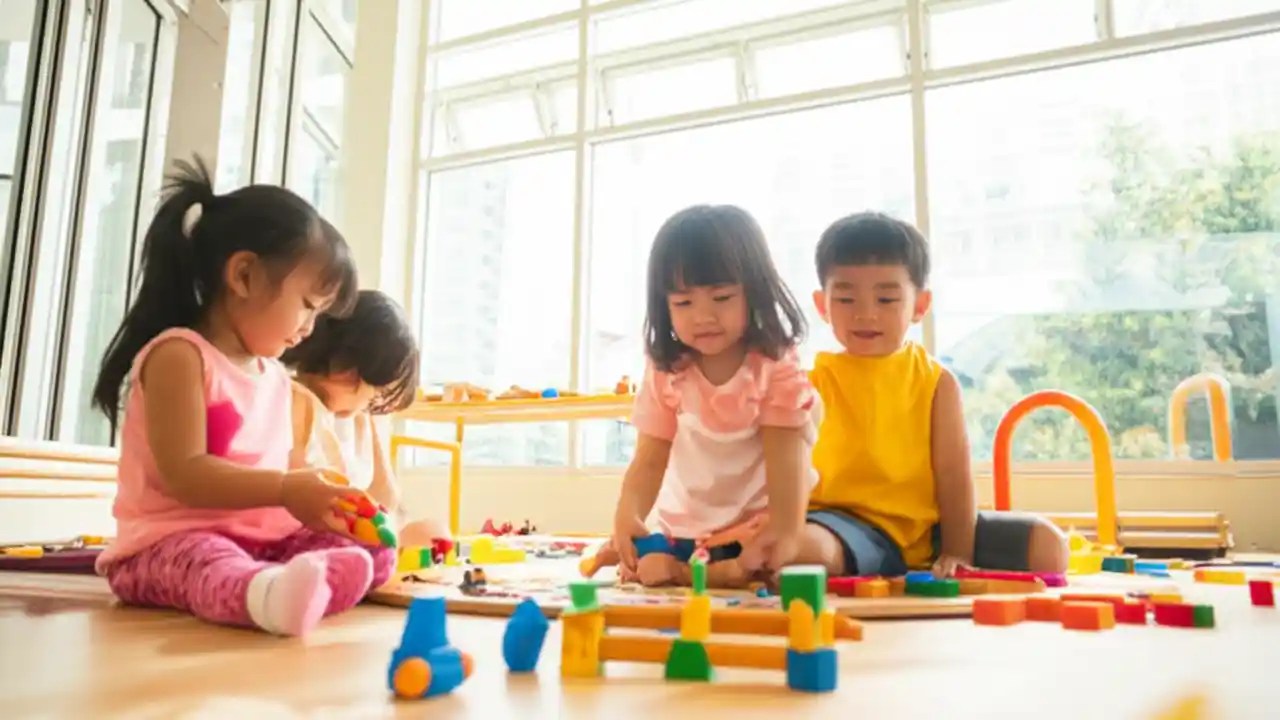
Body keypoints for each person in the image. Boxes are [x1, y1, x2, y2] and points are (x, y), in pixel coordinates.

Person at [91, 158, 391, 637]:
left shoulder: (274, 378)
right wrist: (288, 489)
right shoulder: (180, 356)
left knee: (374, 549)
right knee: (210, 563)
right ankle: (267, 596)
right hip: (166, 545)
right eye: (308, 307)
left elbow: (287, 471)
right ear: (245, 275)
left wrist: (324, 501)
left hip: (260, 543)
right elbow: (186, 475)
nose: (309, 328)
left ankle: (294, 585)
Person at [797, 211, 1069, 579]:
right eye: (846, 299)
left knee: (1049, 546)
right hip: (842, 526)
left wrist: (958, 554)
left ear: (920, 306)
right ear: (822, 306)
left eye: (886, 299)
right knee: (808, 552)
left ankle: (922, 558)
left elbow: (954, 476)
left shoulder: (937, 382)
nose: (865, 315)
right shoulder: (808, 382)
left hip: (928, 531)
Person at [601, 204, 821, 587]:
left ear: (753, 294)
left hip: (756, 525)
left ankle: (699, 572)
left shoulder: (774, 364)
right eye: (683, 303)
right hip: (685, 529)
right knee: (644, 562)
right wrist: (628, 514)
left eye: (721, 298)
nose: (703, 317)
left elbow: (788, 457)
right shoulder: (667, 370)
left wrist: (786, 529)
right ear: (663, 307)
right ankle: (698, 570)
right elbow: (649, 460)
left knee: (797, 554)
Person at [284, 289, 449, 546]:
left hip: (357, 533)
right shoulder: (295, 400)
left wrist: (368, 421)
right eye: (375, 391)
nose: (371, 401)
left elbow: (387, 497)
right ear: (350, 371)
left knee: (432, 531)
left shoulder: (356, 418)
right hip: (315, 536)